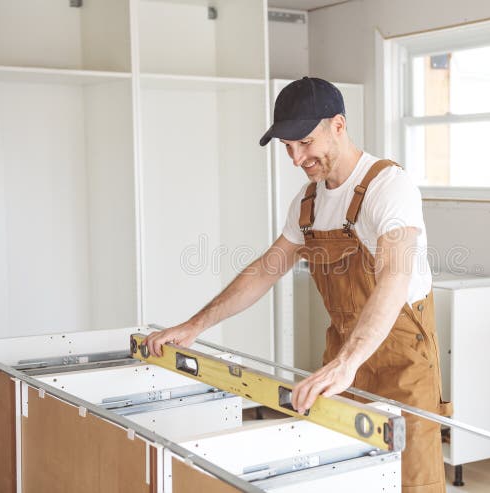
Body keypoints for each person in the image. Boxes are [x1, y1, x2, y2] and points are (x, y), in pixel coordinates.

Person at [143, 76, 451, 492]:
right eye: (288, 147)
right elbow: (263, 271)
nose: (295, 158)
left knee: (412, 480)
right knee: (345, 476)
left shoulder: (388, 186)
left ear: (338, 125)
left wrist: (348, 362)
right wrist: (193, 327)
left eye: (304, 142)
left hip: (401, 362)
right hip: (343, 356)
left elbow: (394, 278)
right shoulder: (308, 203)